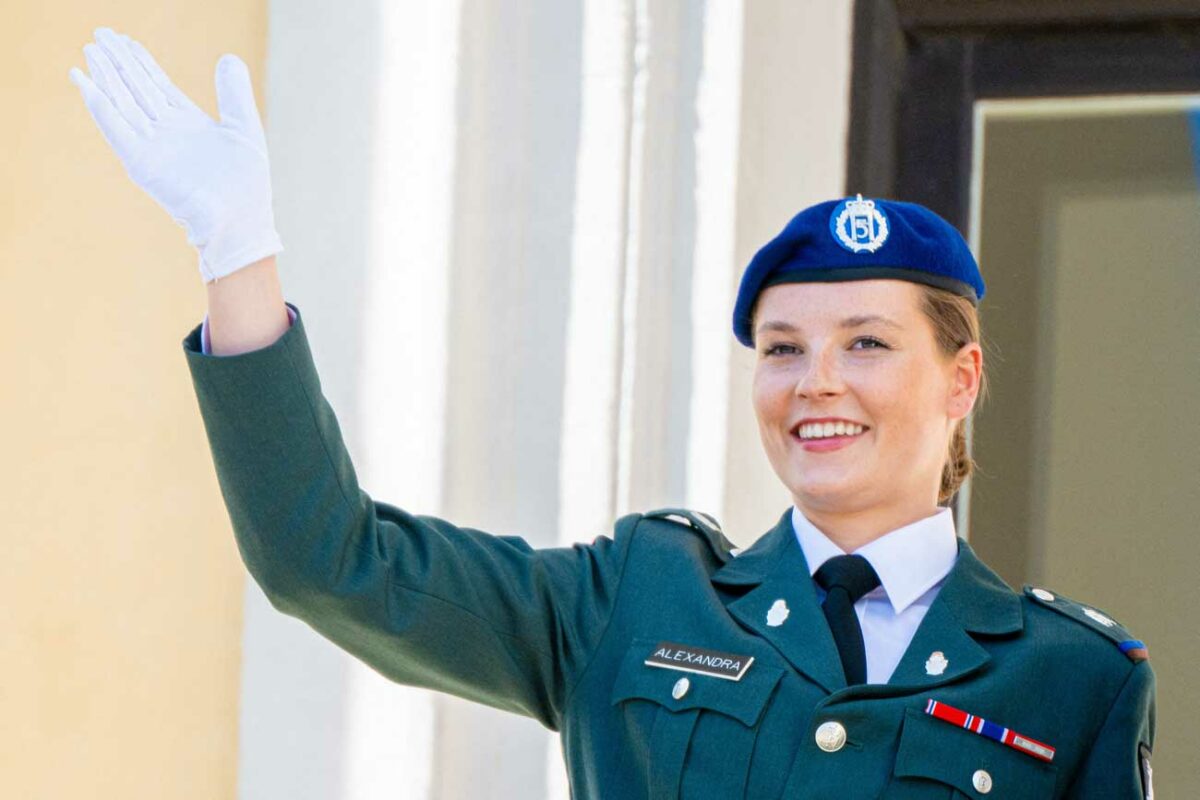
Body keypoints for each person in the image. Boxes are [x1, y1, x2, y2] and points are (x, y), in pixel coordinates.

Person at [72, 27, 1155, 799]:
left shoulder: (1072, 682)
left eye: (866, 342)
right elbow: (329, 559)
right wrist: (237, 254)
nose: (815, 379)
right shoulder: (635, 601)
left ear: (962, 379)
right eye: (782, 349)